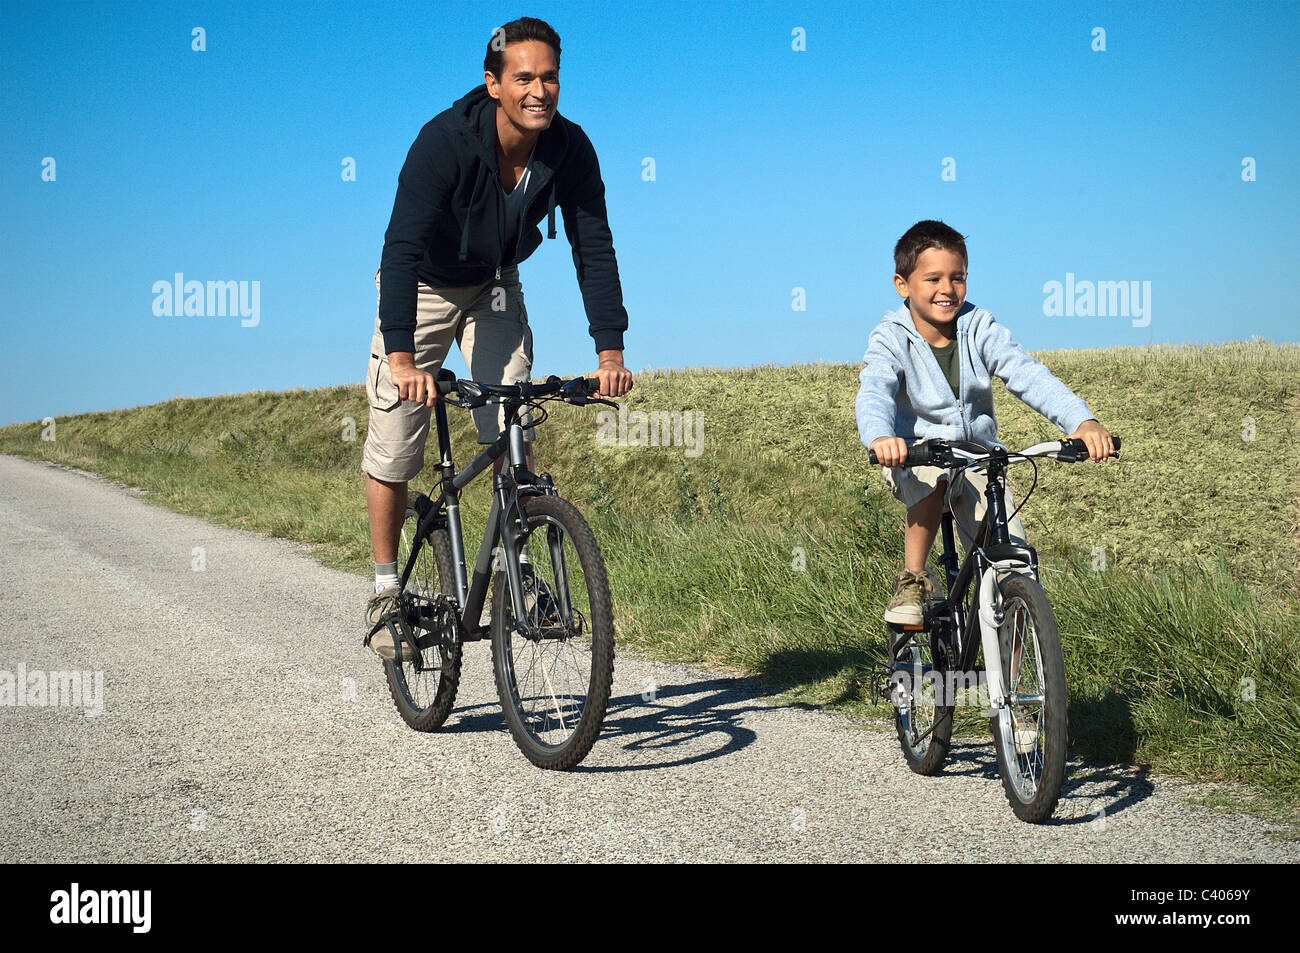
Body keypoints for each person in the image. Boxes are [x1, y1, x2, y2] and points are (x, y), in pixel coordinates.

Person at [362, 17, 633, 659]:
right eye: (523, 78)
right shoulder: (443, 143)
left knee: (512, 415)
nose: (539, 90)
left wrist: (610, 350)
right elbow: (399, 249)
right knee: (397, 439)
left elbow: (593, 245)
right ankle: (383, 591)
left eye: (550, 77)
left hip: (494, 281)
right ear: (493, 84)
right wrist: (401, 356)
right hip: (424, 283)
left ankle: (515, 566)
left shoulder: (569, 148)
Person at [856, 220, 1114, 625]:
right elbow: (874, 390)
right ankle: (913, 579)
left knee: (1011, 558)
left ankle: (1016, 643)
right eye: (934, 278)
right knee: (930, 479)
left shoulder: (979, 328)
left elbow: (1026, 373)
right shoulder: (892, 338)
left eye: (958, 278)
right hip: (914, 453)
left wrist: (1082, 420)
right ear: (902, 284)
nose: (948, 289)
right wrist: (881, 437)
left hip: (977, 456)